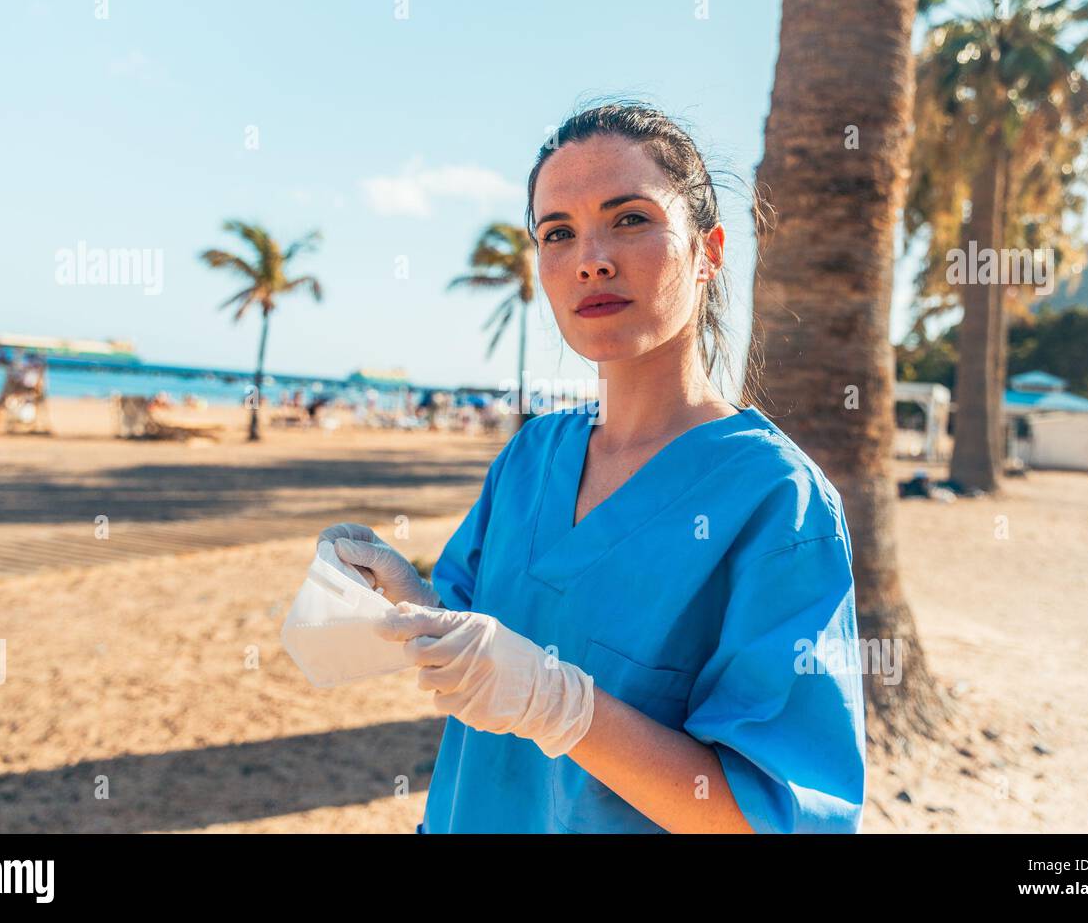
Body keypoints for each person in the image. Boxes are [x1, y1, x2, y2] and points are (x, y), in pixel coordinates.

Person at [319, 103, 865, 834]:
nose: (591, 259)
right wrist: (406, 596)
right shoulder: (531, 457)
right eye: (558, 233)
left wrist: (563, 707)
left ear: (709, 251)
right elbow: (475, 640)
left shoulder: (778, 504)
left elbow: (772, 820)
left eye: (631, 219)